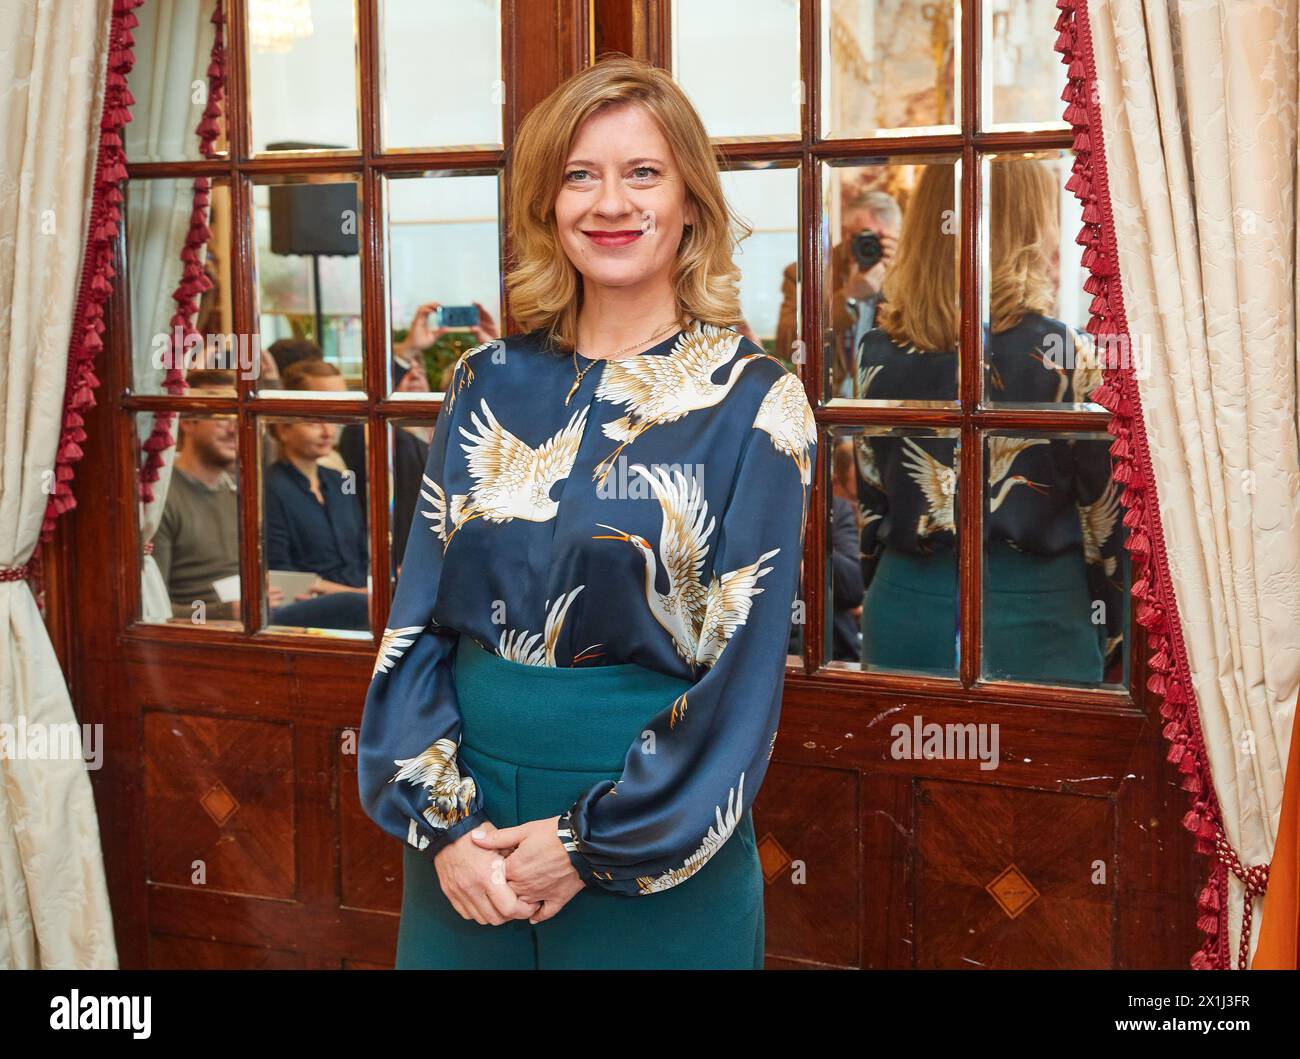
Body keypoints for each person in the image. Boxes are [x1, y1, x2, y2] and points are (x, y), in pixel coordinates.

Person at [357, 55, 816, 970]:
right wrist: (445, 826)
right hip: (469, 848)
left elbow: (746, 675)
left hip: (652, 832)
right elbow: (417, 620)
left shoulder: (759, 401)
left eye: (643, 172)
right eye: (580, 175)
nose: (611, 202)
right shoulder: (482, 379)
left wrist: (584, 840)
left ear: (691, 200)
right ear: (548, 206)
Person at [854, 160, 1123, 682]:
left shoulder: (876, 351)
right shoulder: (1069, 355)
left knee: (902, 761)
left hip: (903, 607)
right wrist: (1114, 637)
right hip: (1035, 616)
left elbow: (871, 508)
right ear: (1029, 230)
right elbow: (1104, 528)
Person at [774, 188, 900, 395]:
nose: (873, 246)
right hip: (830, 403)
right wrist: (848, 298)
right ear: (847, 231)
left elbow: (926, 336)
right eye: (867, 237)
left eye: (883, 240)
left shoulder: (909, 277)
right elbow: (786, 344)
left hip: (892, 402)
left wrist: (897, 277)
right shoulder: (805, 273)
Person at [263, 415, 370, 632]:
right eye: (313, 424)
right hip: (305, 602)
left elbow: (363, 551)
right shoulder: (269, 486)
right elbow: (282, 572)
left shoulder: (340, 481)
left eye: (331, 421)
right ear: (284, 431)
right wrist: (361, 595)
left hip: (361, 595)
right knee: (366, 606)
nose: (327, 432)